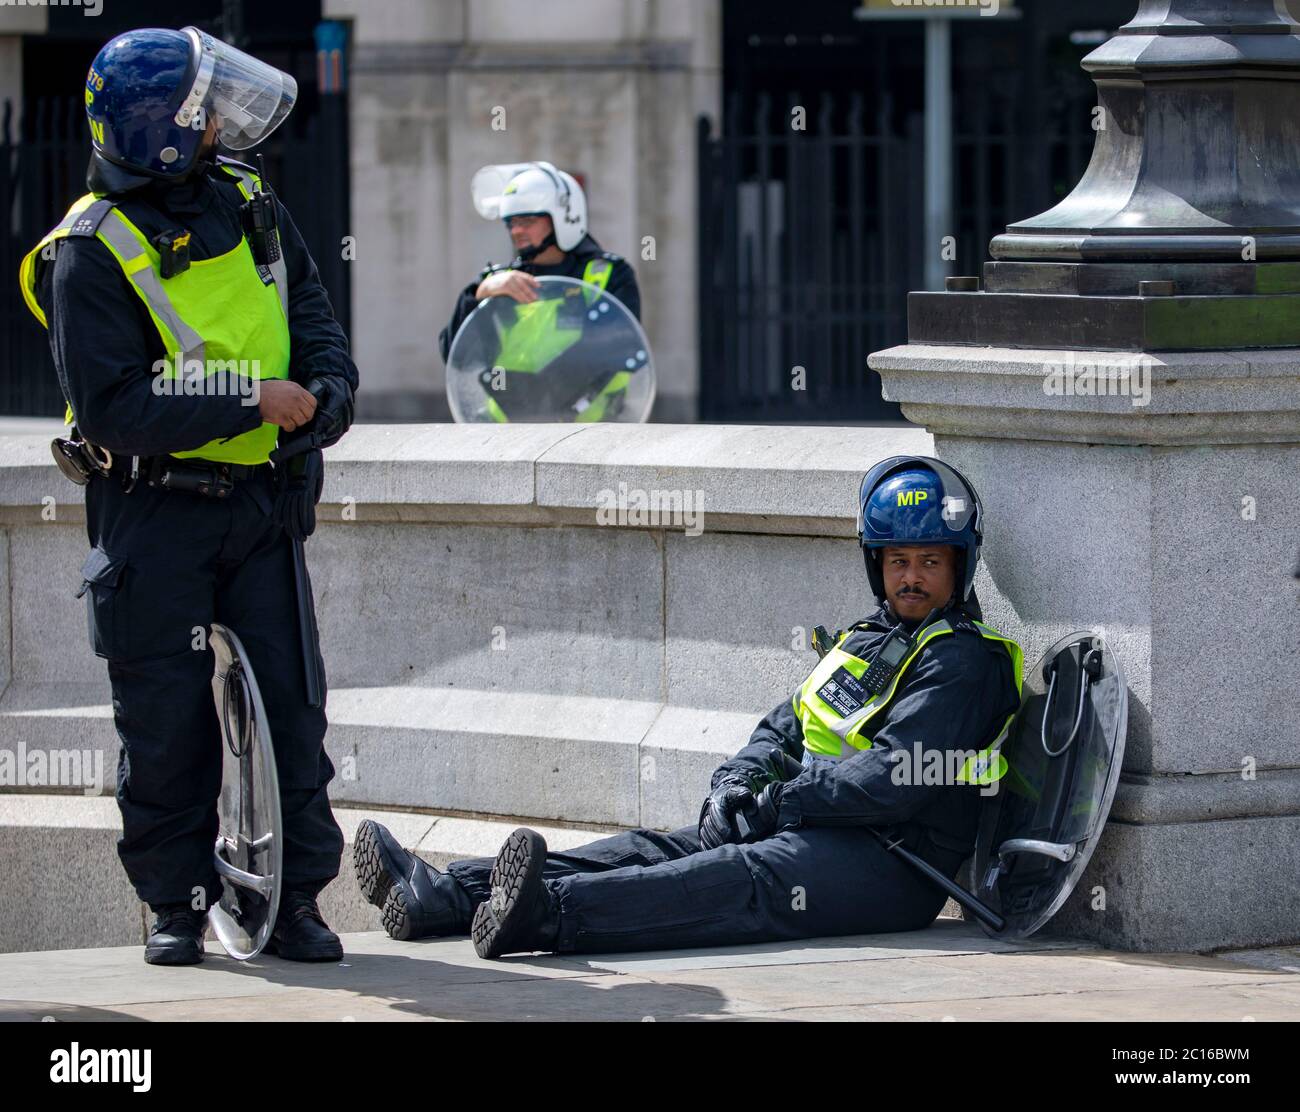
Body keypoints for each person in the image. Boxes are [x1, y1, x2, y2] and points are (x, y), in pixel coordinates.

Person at [353, 456, 1024, 957]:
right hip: (817, 823)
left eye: (930, 562)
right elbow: (785, 726)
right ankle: (444, 894)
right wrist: (740, 781)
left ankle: (546, 913)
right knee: (661, 846)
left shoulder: (963, 660)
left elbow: (894, 777)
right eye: (899, 560)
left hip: (893, 862)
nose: (912, 576)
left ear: (958, 567)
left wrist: (782, 802)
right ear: (875, 564)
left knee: (733, 875)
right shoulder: (867, 639)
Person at [18, 26, 358, 965]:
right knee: (164, 721)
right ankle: (177, 902)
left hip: (263, 501)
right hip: (153, 511)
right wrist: (249, 397)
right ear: (160, 131)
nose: (218, 124)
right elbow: (116, 406)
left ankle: (294, 902)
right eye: (200, 111)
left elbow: (315, 321)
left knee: (292, 710)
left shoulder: (249, 198)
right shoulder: (88, 247)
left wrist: (325, 400)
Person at [438, 162, 643, 422]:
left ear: (564, 216)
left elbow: (619, 346)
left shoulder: (608, 274)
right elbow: (457, 357)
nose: (516, 231)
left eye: (527, 220)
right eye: (510, 222)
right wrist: (478, 295)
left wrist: (537, 401)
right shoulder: (497, 282)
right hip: (504, 436)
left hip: (591, 436)